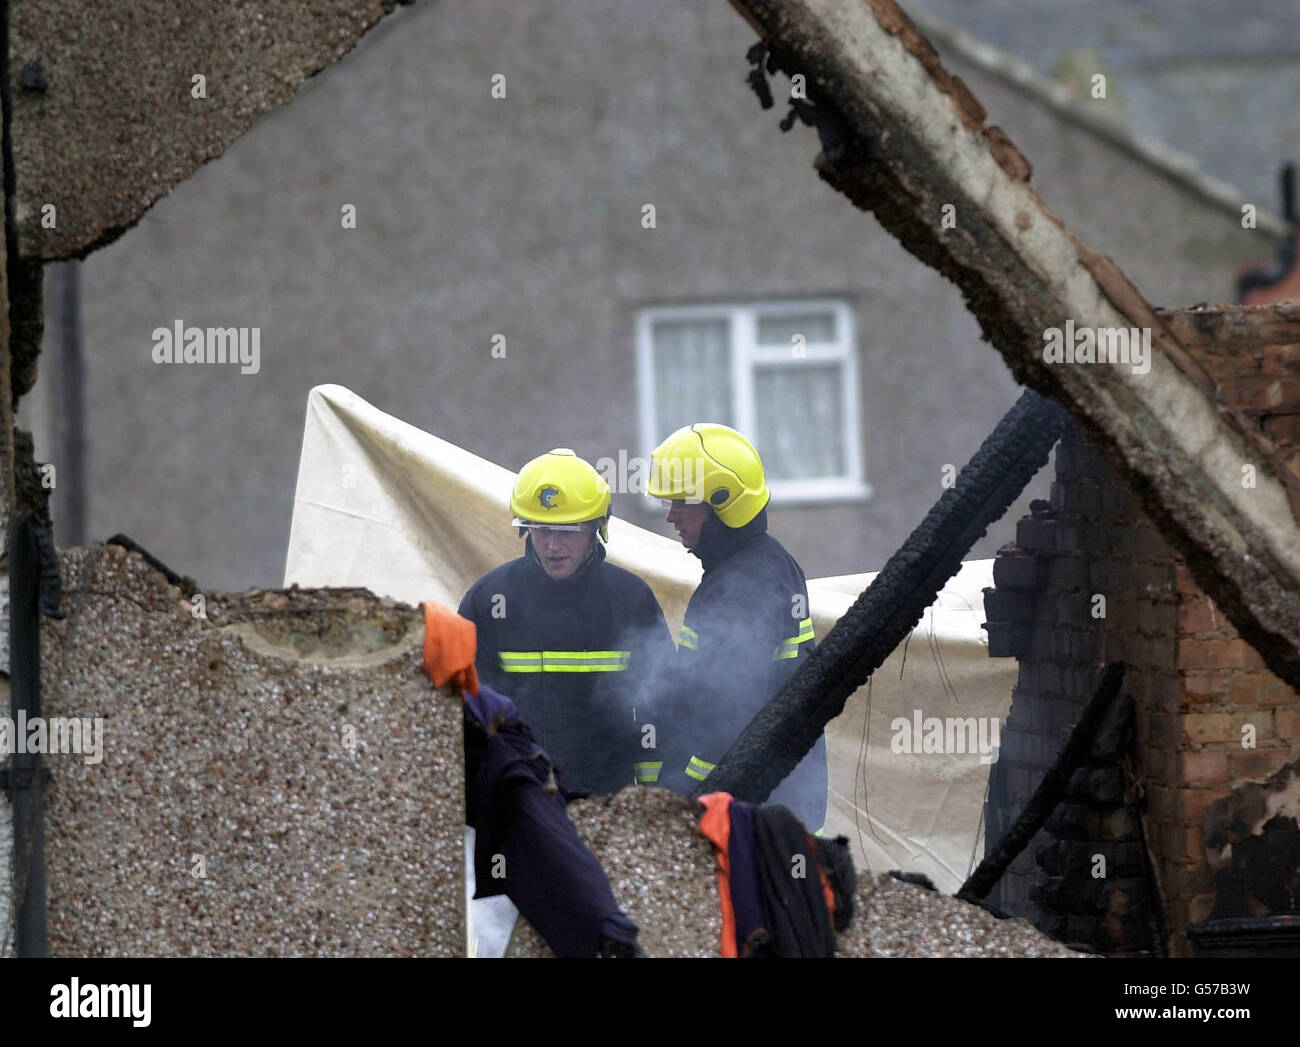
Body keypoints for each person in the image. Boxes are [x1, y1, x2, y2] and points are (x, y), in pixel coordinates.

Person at [458, 448, 675, 797]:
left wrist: (653, 796)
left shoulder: (631, 599)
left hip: (608, 799)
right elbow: (466, 706)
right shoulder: (489, 599)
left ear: (595, 528)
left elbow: (662, 708)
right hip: (520, 797)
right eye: (541, 530)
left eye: (567, 531)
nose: (552, 546)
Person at [646, 422, 828, 831]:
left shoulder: (743, 586)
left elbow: (723, 714)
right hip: (777, 803)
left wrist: (681, 795)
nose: (671, 516)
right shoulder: (759, 562)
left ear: (723, 502)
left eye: (682, 503)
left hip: (749, 811)